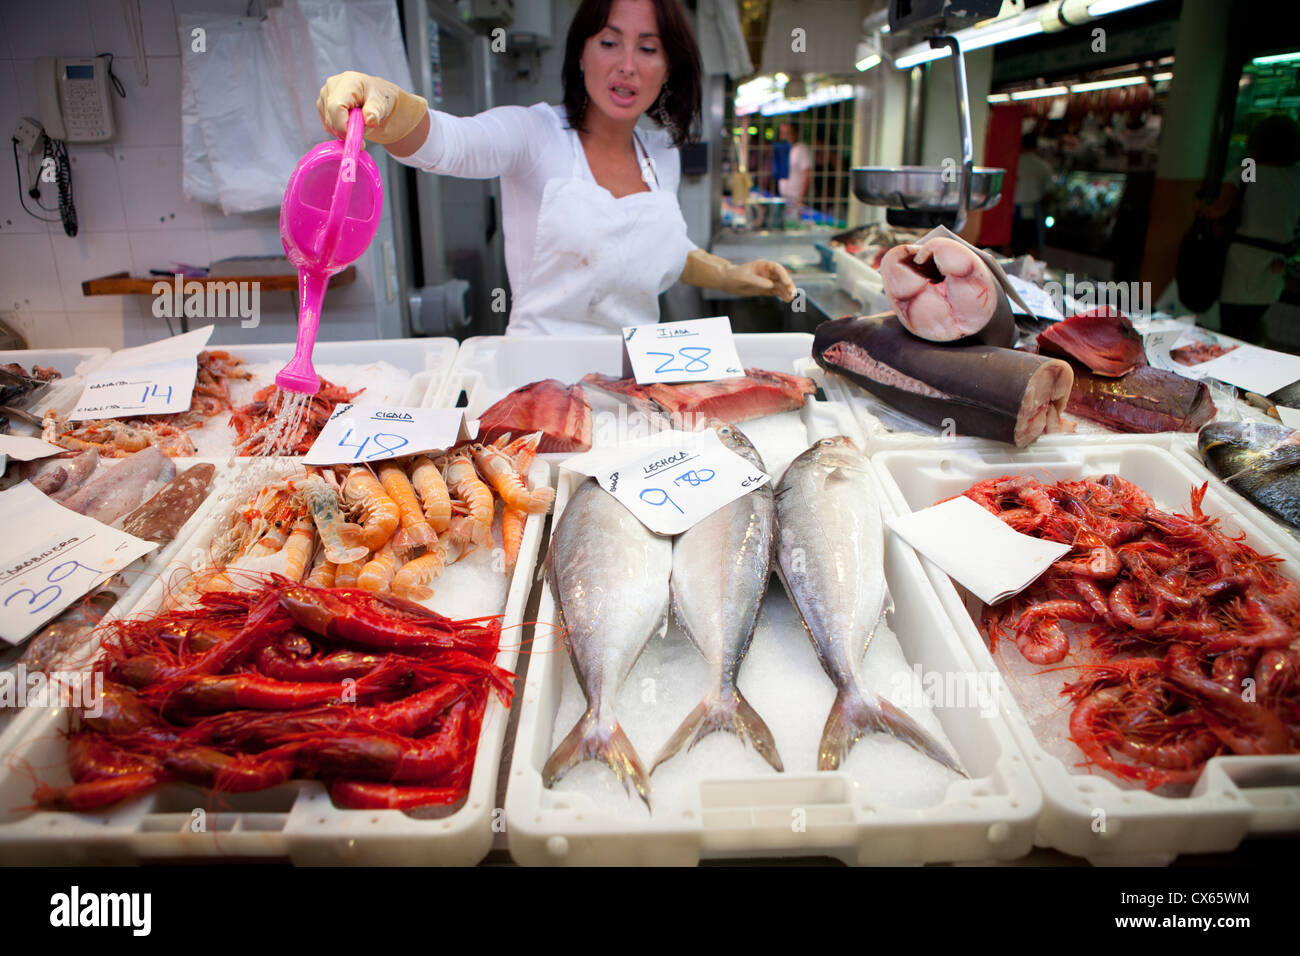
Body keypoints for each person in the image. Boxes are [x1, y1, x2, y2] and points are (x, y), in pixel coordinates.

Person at [316, 0, 795, 335]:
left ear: (667, 67)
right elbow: (450, 142)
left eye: (648, 48)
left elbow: (662, 248)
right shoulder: (534, 135)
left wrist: (728, 274)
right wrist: (393, 109)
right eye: (610, 42)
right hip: (539, 392)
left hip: (638, 385)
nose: (627, 65)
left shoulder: (661, 156)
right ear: (582, 52)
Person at [1199, 114, 1300, 344]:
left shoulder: (1251, 168)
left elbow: (1221, 208)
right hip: (1275, 266)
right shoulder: (1296, 176)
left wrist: (1203, 209)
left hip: (1241, 264)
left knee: (1232, 328)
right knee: (1253, 321)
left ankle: (1232, 371)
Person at [1012, 131, 1054, 256]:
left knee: (1013, 249)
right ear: (1036, 147)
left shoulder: (1014, 163)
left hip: (1013, 213)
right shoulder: (1043, 166)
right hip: (1032, 213)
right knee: (1031, 250)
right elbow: (1050, 192)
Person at [776, 122, 812, 223]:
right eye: (782, 133)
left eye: (787, 133)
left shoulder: (801, 149)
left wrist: (801, 199)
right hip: (785, 197)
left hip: (796, 200)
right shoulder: (786, 149)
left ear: (795, 133)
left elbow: (807, 175)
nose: (783, 136)